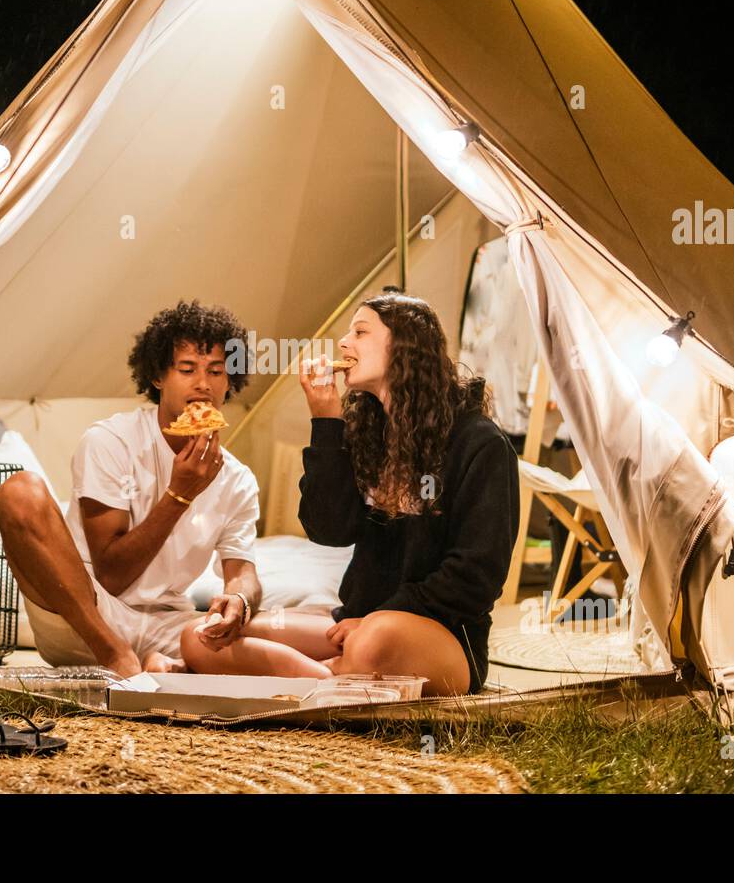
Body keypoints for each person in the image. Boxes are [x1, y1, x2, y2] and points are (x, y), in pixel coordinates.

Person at [180, 289, 520, 696]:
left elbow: (476, 574)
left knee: (374, 640)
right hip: (354, 622)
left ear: (406, 348)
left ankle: (312, 677)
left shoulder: (479, 444)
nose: (343, 343)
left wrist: (381, 617)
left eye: (360, 332)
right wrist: (326, 421)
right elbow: (328, 530)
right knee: (202, 635)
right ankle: (331, 679)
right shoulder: (370, 431)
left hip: (440, 637)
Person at [0, 300, 262, 680]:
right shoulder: (111, 442)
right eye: (187, 369)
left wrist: (239, 599)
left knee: (304, 631)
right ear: (157, 377)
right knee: (19, 492)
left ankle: (169, 666)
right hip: (86, 615)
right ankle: (115, 657)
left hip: (169, 621)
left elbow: (242, 571)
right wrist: (179, 495)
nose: (203, 384)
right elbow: (112, 576)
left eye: (216, 371)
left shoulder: (237, 478)